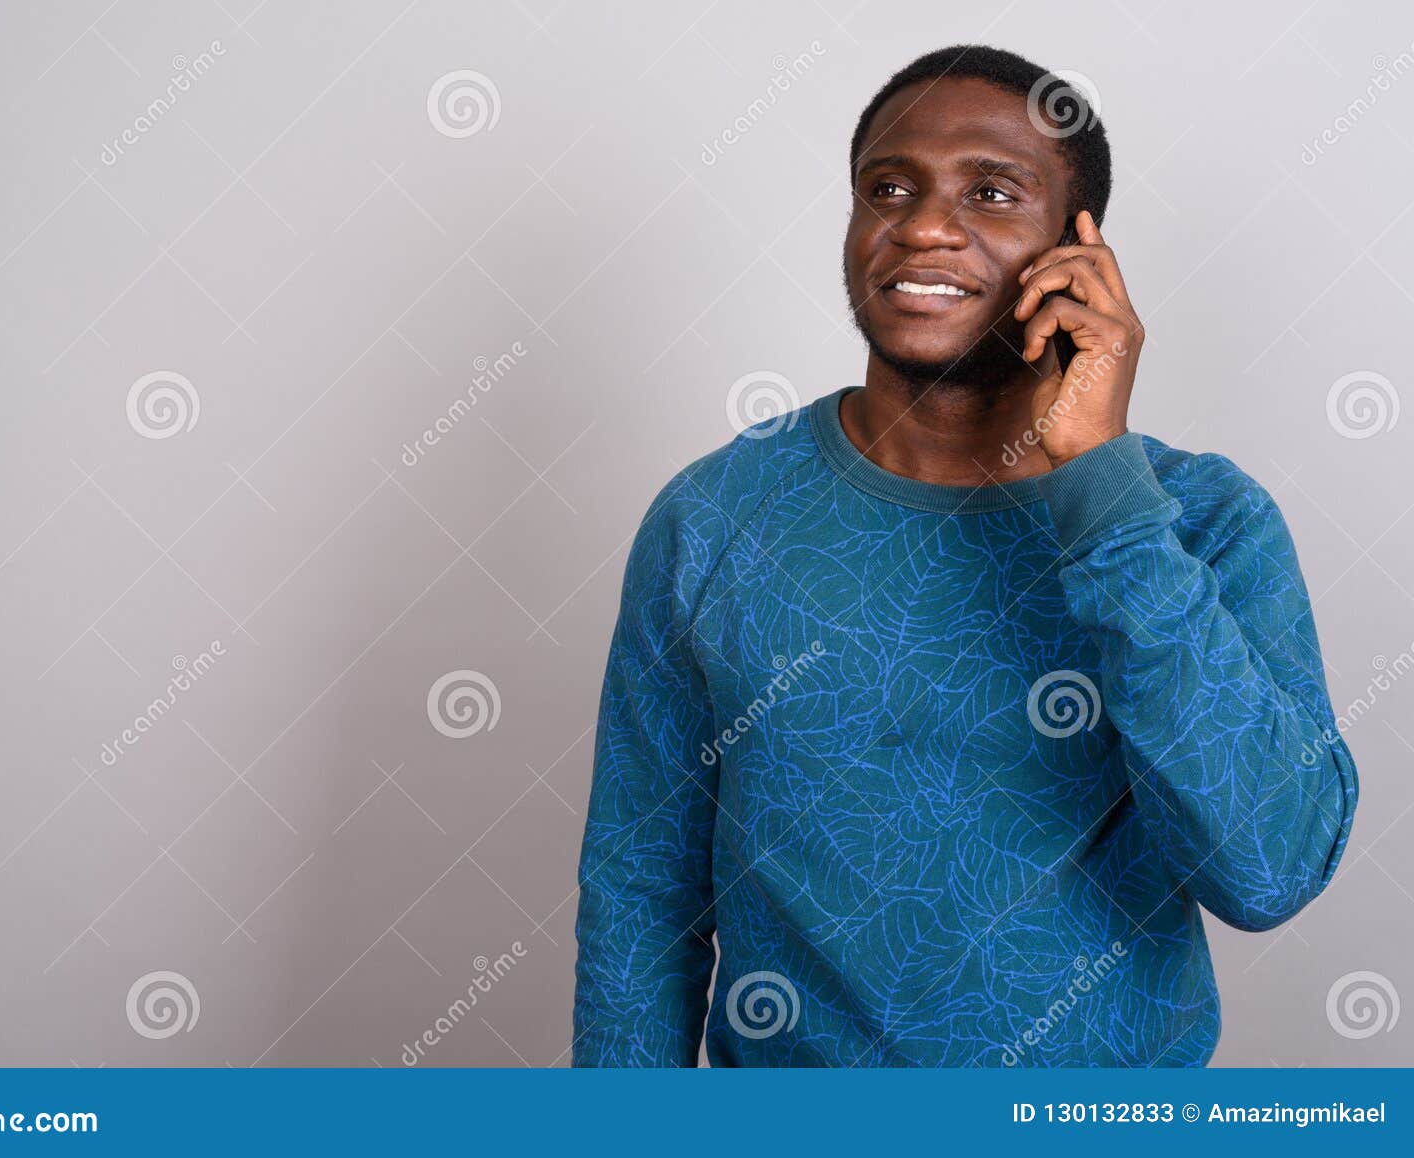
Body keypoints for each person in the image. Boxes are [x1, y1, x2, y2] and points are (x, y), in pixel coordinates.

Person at [570, 44, 1359, 1067]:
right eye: (887, 188)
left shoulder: (1200, 520)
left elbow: (1269, 870)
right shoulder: (713, 518)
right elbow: (641, 898)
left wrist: (1101, 490)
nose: (924, 226)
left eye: (989, 191)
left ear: (1077, 253)